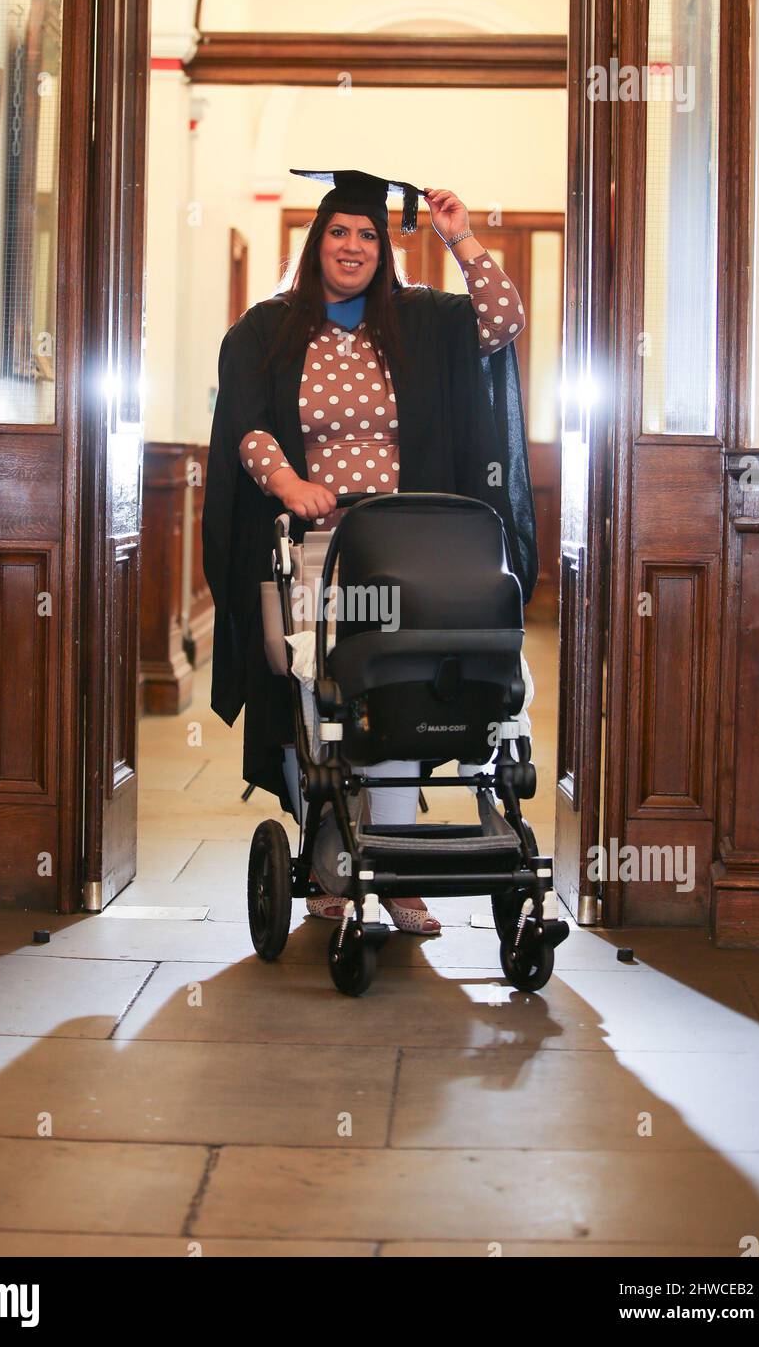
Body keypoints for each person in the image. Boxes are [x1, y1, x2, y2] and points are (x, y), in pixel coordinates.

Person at [203, 168, 537, 935]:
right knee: (322, 692)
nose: (352, 246)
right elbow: (248, 428)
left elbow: (504, 321)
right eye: (338, 232)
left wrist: (460, 235)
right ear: (316, 241)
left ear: (384, 249)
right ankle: (330, 846)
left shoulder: (419, 322)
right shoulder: (269, 330)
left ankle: (394, 860)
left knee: (404, 678)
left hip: (412, 549)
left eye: (366, 235)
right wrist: (288, 480)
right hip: (318, 546)